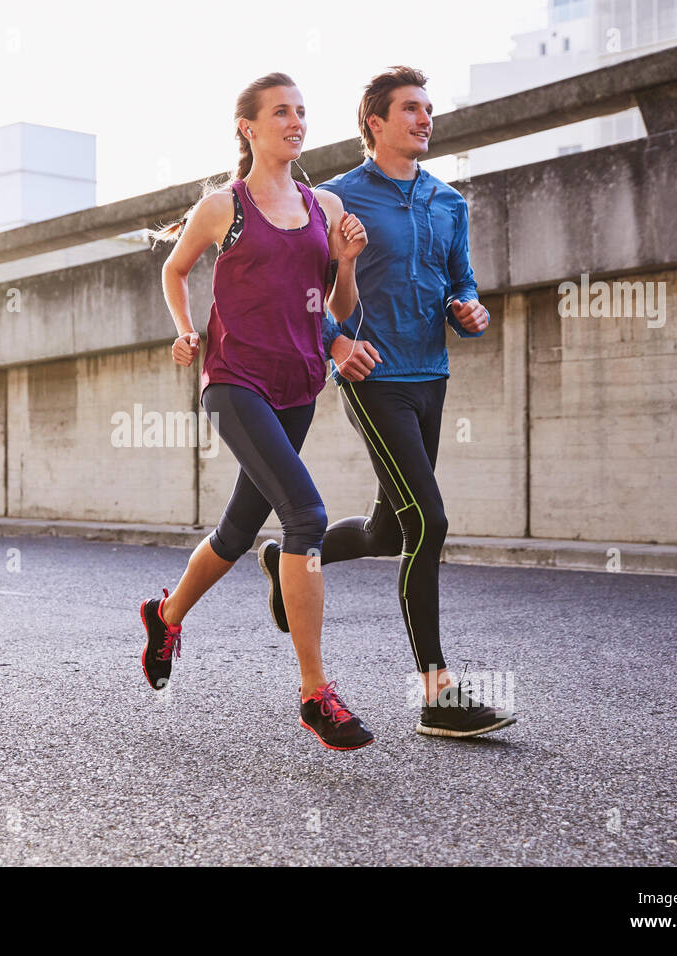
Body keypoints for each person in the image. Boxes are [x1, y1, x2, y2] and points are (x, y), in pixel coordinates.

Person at [256, 66, 518, 738]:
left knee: (387, 530)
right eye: (410, 109)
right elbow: (300, 295)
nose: (425, 119)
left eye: (429, 110)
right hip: (376, 381)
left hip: (433, 375)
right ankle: (437, 692)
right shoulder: (335, 200)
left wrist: (470, 311)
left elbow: (462, 282)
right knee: (429, 522)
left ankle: (285, 562)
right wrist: (338, 343)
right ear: (375, 122)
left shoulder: (447, 203)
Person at [139, 71, 374, 751]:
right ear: (248, 126)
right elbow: (174, 269)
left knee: (240, 529)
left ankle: (165, 613)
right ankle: (315, 695)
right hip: (234, 381)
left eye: (302, 112)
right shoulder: (226, 207)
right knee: (307, 515)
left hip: (299, 383)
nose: (296, 122)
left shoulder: (324, 207)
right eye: (281, 112)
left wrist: (349, 262)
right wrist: (185, 329)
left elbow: (339, 311)